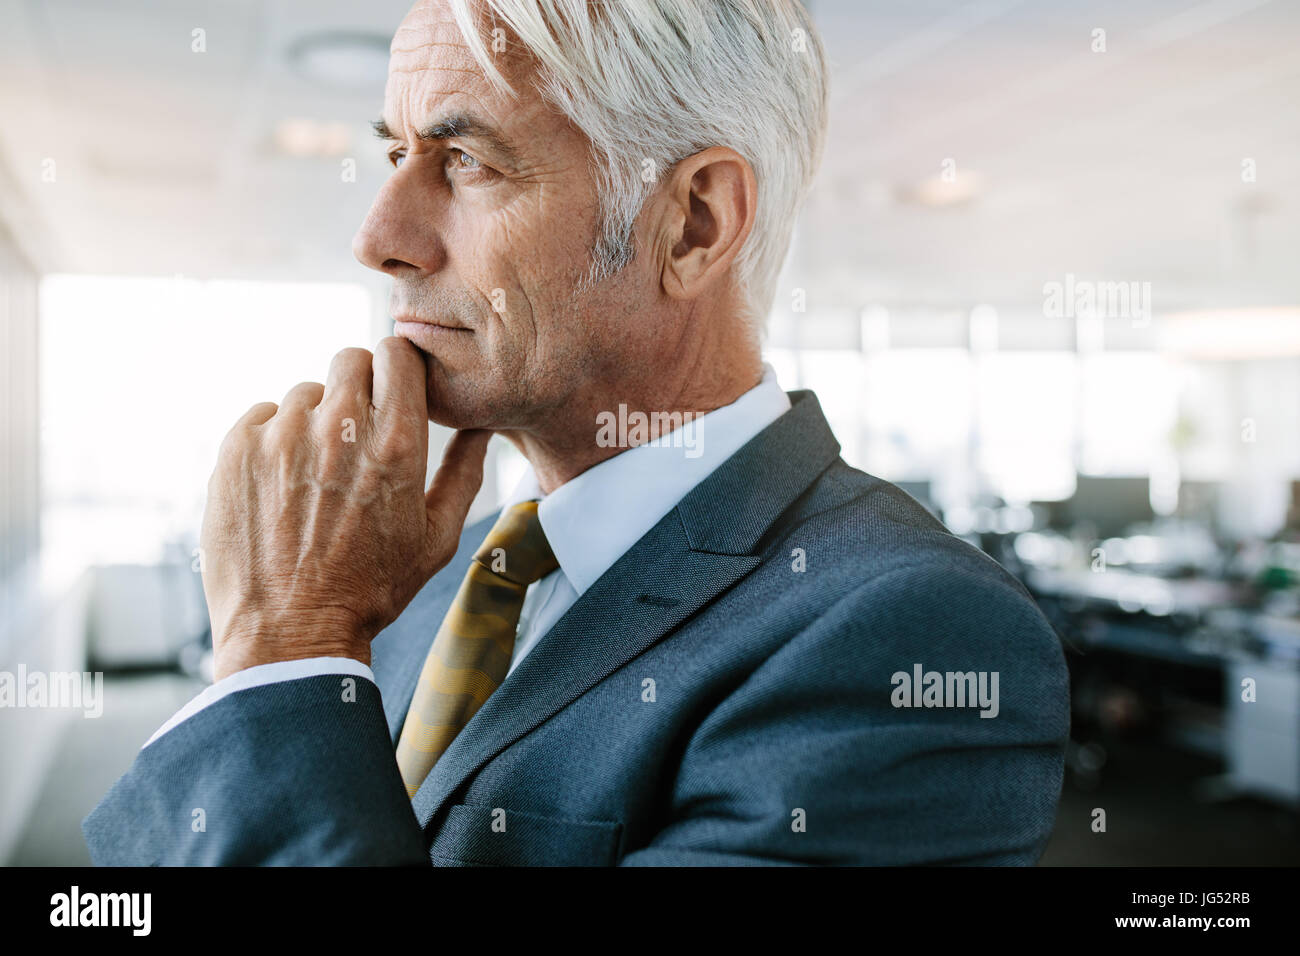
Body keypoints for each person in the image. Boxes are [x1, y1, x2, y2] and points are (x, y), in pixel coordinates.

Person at [84, 0, 1069, 866]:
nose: (379, 235)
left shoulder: (907, 631)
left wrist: (282, 646)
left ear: (690, 223)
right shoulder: (422, 575)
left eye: (467, 162)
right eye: (397, 153)